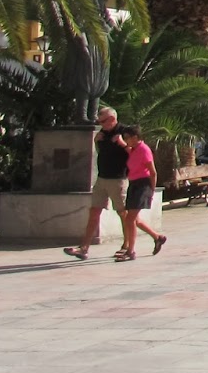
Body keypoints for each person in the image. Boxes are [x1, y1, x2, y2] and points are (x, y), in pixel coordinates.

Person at [65, 107, 127, 260]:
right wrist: (96, 142)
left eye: (103, 121)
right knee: (94, 212)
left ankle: (127, 245)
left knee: (123, 213)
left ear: (112, 119)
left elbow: (135, 152)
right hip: (102, 178)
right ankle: (84, 247)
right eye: (99, 122)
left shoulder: (124, 132)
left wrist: (122, 143)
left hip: (118, 178)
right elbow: (102, 153)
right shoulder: (102, 134)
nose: (101, 124)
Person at [119, 124, 165, 257]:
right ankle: (157, 237)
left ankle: (130, 250)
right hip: (133, 184)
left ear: (135, 137)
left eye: (127, 137)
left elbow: (153, 172)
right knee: (135, 220)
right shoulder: (133, 150)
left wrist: (151, 191)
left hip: (143, 185)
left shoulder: (144, 150)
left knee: (130, 219)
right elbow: (127, 149)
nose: (126, 140)